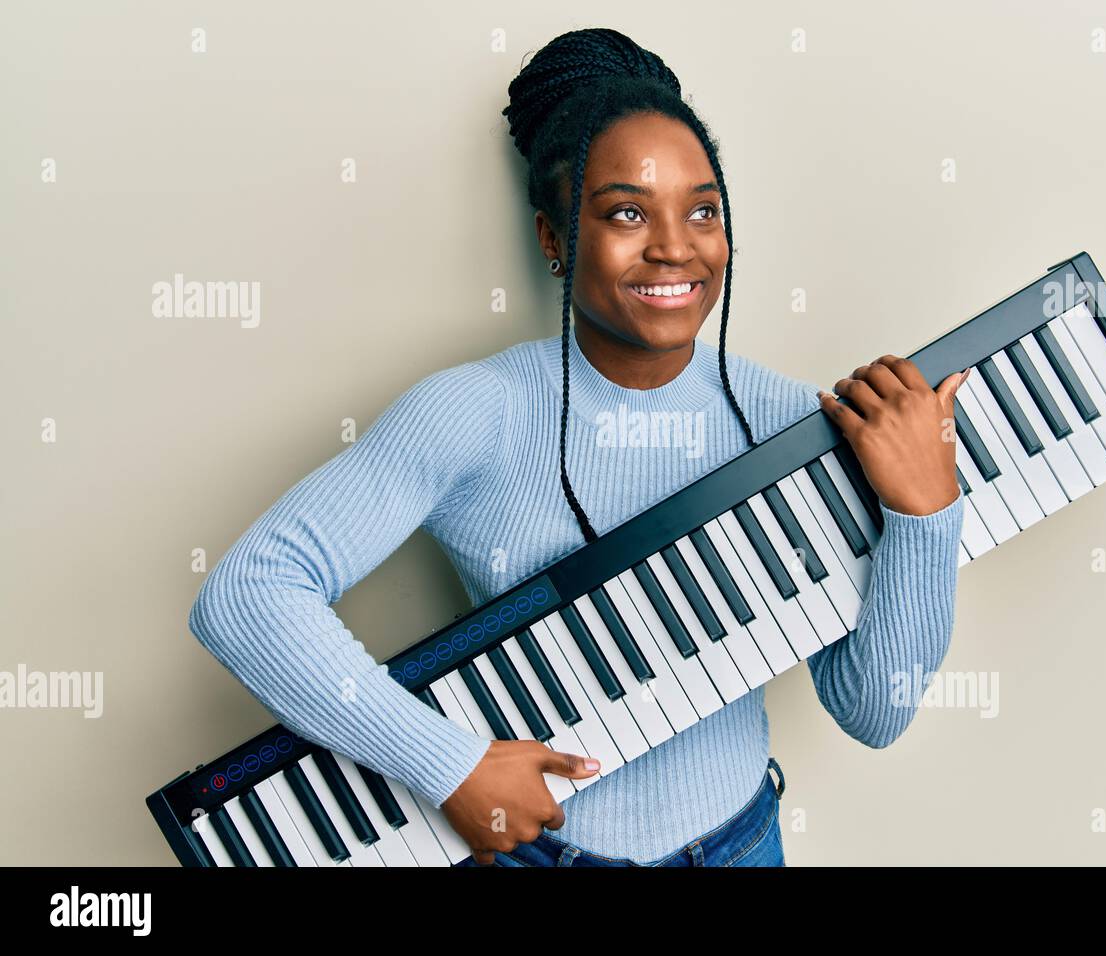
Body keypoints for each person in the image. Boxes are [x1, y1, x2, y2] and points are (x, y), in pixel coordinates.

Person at [188, 27, 968, 868]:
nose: (674, 246)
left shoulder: (786, 416)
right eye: (627, 212)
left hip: (745, 841)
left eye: (702, 210)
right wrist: (448, 767)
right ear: (554, 240)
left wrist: (925, 514)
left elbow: (871, 712)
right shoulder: (474, 412)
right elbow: (246, 596)